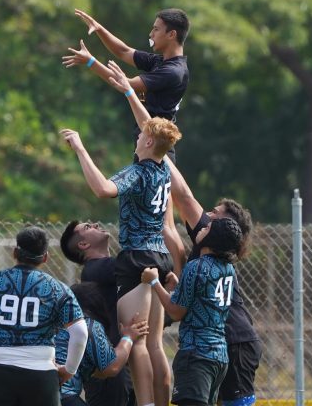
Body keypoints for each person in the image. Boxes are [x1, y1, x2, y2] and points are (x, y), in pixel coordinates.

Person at [103, 60, 263, 406]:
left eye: (213, 216)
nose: (206, 217)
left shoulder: (202, 261)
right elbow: (169, 231)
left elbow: (180, 194)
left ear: (214, 230)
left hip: (221, 344)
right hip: (228, 345)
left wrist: (155, 142)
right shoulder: (223, 263)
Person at [60, 118, 181, 406]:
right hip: (160, 255)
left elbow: (103, 189)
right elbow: (168, 219)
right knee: (155, 344)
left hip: (137, 255)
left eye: (140, 136)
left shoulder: (136, 172)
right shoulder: (164, 171)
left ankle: (146, 404)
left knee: (138, 342)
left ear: (149, 142)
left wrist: (79, 148)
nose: (136, 139)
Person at [0, 227, 88, 406]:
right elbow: (80, 333)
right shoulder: (58, 289)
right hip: (41, 374)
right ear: (45, 257)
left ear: (14, 253)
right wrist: (69, 369)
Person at [142, 217, 243, 406]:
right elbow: (202, 300)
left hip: (197, 356)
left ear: (214, 239)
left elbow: (176, 312)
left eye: (209, 227)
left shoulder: (196, 267)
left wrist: (154, 282)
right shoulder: (228, 269)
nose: (204, 227)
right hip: (219, 357)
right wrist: (179, 287)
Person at [63, 8, 190, 154]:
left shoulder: (173, 72)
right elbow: (123, 51)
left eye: (156, 29)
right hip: (146, 149)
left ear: (171, 34)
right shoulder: (161, 61)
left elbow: (126, 85)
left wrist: (90, 62)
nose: (151, 34)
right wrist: (98, 28)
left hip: (157, 155)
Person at [61, 221, 136, 406]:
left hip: (121, 358)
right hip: (108, 362)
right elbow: (140, 263)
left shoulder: (107, 269)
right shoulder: (96, 269)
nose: (95, 224)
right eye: (87, 227)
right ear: (83, 245)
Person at [56, 282, 149, 406]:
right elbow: (112, 366)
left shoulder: (52, 321)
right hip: (63, 395)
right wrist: (128, 337)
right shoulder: (88, 324)